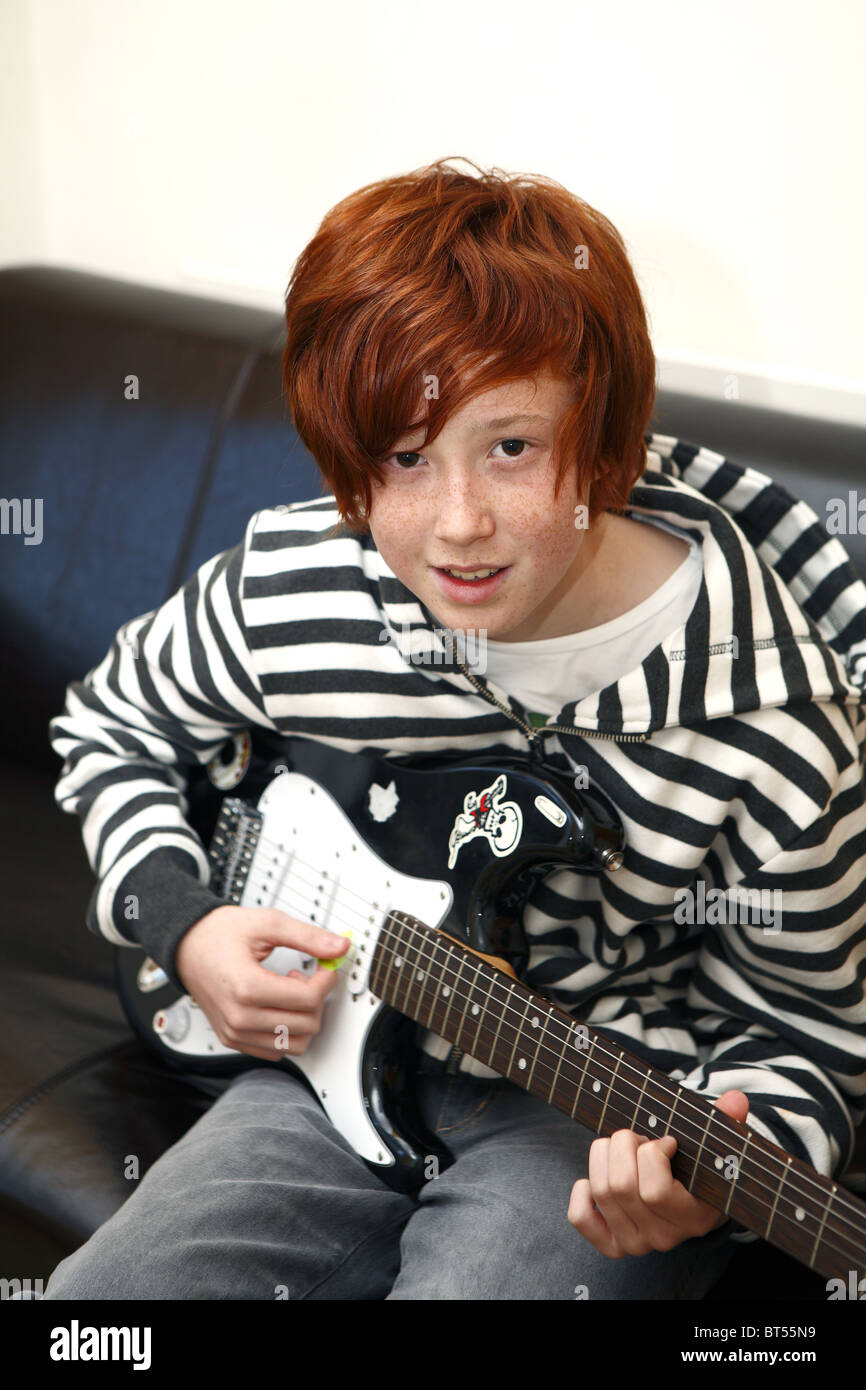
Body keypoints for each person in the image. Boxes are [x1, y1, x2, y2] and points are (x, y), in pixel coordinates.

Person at [42, 157, 866, 1300]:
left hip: (585, 1111)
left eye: (512, 447)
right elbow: (113, 721)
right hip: (324, 1053)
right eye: (404, 457)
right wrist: (182, 924)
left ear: (606, 435)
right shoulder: (302, 582)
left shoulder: (779, 727)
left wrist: (723, 1159)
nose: (458, 525)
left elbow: (809, 1037)